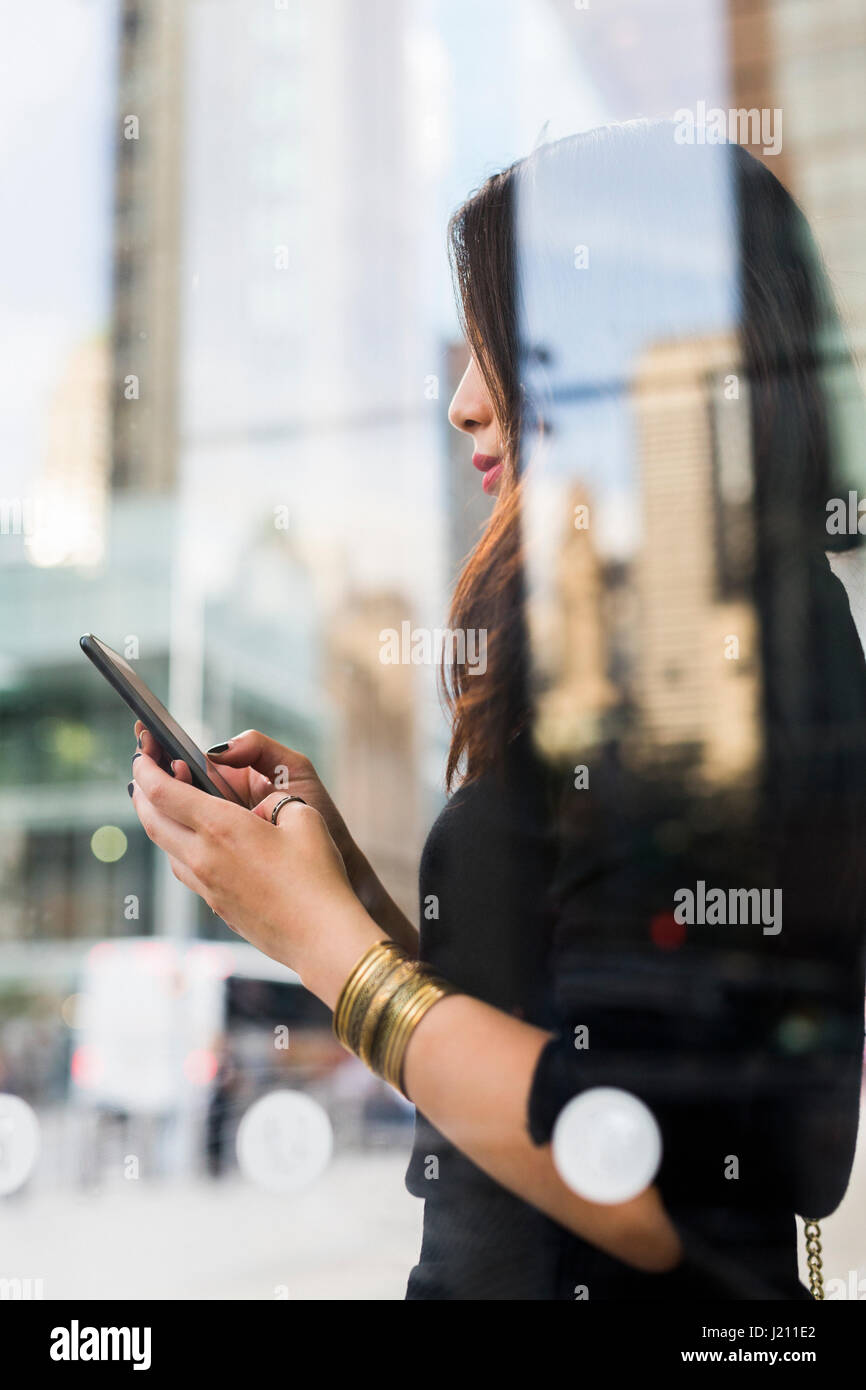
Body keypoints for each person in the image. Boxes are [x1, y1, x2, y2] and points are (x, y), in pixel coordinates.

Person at [128, 121, 866, 1299]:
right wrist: (349, 897)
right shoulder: (701, 631)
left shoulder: (715, 652)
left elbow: (654, 1172)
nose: (465, 403)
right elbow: (583, 1041)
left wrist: (323, 944)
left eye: (496, 347)